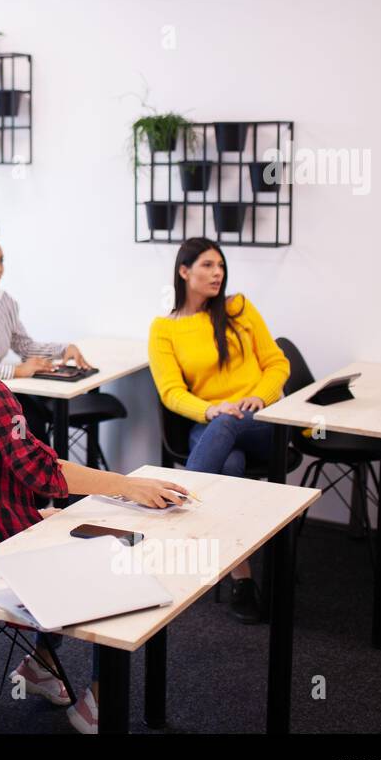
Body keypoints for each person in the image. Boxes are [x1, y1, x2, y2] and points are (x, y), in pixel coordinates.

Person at [0, 295, 186, 734]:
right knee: (123, 551)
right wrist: (126, 485)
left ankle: (43, 665)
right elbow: (41, 472)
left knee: (58, 522)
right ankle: (96, 705)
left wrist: (31, 515)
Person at [148, 237, 291, 623]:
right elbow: (170, 392)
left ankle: (171, 531)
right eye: (208, 266)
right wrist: (211, 409)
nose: (217, 274)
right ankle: (241, 579)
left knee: (230, 430)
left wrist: (259, 398)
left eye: (221, 267)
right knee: (228, 465)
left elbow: (278, 364)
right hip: (212, 425)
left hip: (264, 423)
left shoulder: (239, 309)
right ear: (184, 272)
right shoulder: (164, 329)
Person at [0, 236, 92, 443]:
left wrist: (64, 349)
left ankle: (44, 472)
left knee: (34, 416)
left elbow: (24, 345)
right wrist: (14, 371)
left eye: (1, 261)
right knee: (28, 419)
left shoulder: (4, 302)